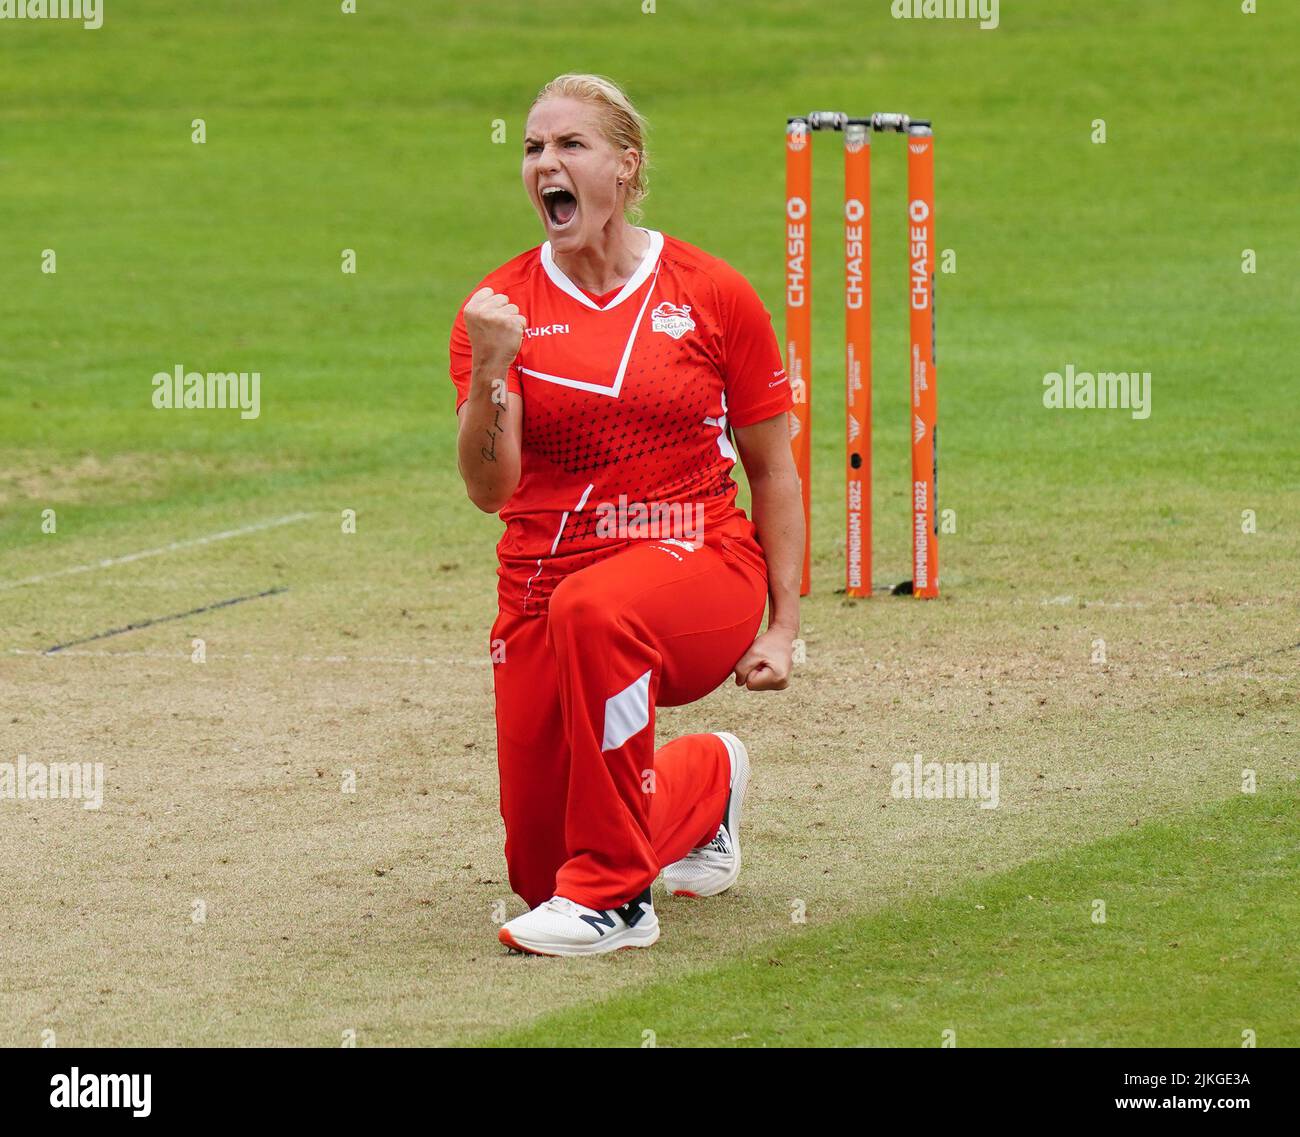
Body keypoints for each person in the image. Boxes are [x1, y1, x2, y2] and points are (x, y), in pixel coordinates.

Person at [447, 73, 802, 956]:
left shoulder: (712, 292)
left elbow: (774, 466)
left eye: (571, 145)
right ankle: (706, 781)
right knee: (538, 870)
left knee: (598, 610)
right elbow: (492, 490)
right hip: (542, 586)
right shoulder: (497, 312)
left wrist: (785, 624)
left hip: (699, 561)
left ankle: (615, 903)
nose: (545, 164)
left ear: (626, 167)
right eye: (532, 148)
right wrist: (493, 370)